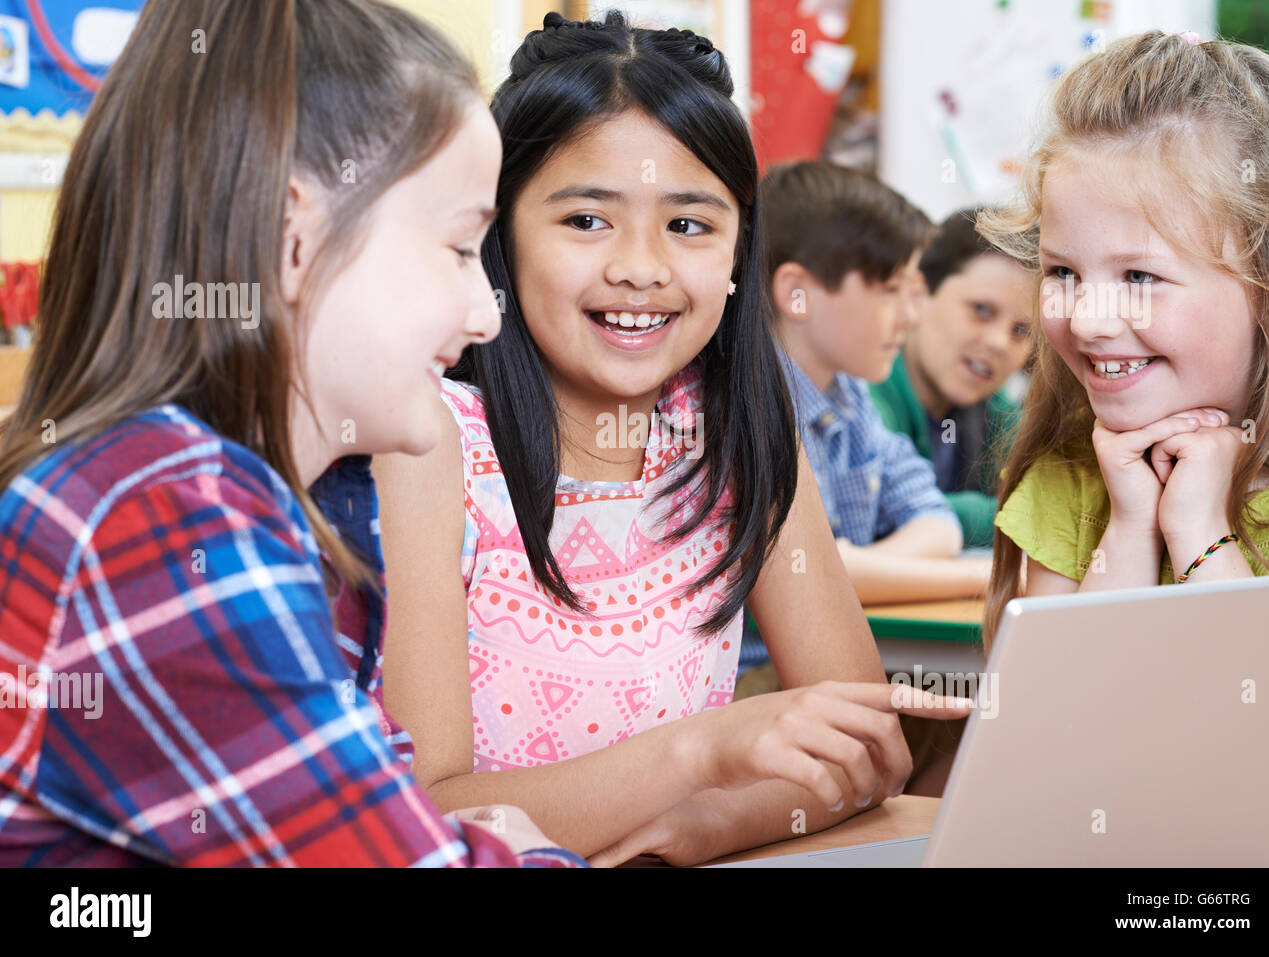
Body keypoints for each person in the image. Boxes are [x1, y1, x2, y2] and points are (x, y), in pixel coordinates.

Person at [371, 11, 973, 868]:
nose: (641, 268)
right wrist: (698, 757)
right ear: (499, 233)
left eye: (689, 226)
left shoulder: (735, 429)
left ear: (738, 253)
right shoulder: (427, 443)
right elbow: (423, 816)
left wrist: (709, 825)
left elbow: (868, 751)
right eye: (587, 220)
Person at [0, 0, 579, 867]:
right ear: (294, 240)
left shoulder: (280, 498)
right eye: (461, 250)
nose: (484, 315)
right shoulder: (165, 523)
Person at [983, 30, 1269, 645]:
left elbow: (1265, 697)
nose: (1087, 320)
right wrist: (1132, 528)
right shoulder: (1071, 481)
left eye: (1139, 277)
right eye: (1063, 272)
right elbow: (1063, 699)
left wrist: (1200, 532)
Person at [869, 208, 1036, 547]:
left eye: (1021, 330)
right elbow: (879, 514)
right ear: (918, 295)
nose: (999, 343)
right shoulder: (862, 392)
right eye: (981, 310)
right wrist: (994, 516)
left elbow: (1050, 506)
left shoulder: (996, 411)